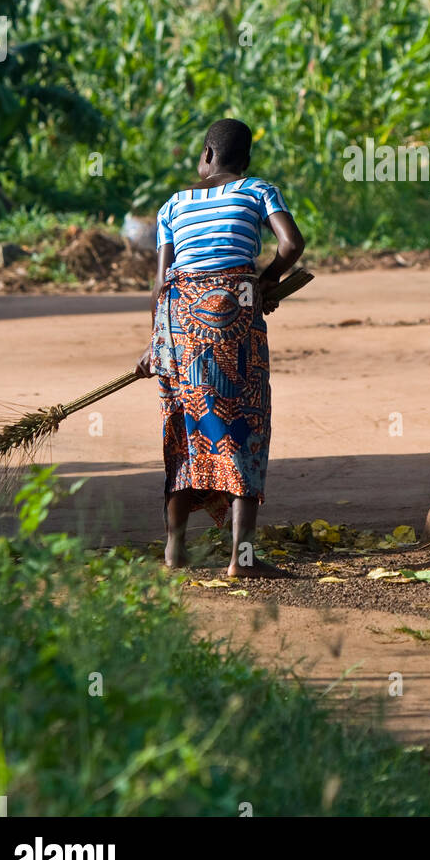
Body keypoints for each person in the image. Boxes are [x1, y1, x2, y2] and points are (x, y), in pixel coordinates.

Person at [135, 118, 305, 578]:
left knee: (183, 430)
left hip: (178, 323)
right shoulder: (257, 190)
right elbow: (292, 244)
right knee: (245, 426)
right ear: (244, 161)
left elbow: (161, 284)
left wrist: (155, 345)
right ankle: (241, 560)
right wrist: (264, 283)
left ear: (207, 155)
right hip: (234, 317)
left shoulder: (173, 205)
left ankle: (174, 553)